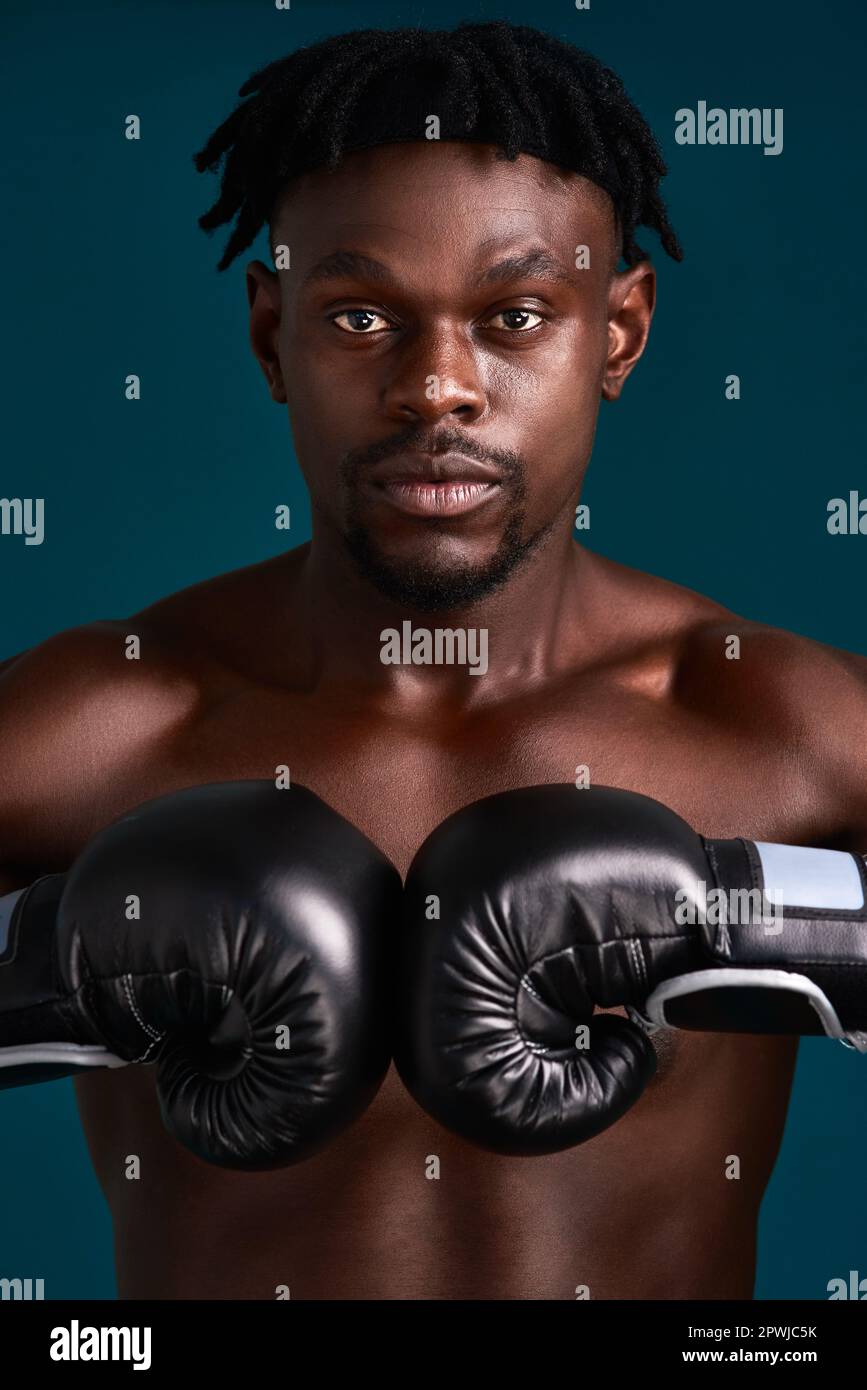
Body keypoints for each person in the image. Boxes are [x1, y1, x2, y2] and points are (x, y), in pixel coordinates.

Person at [2, 20, 865, 1300]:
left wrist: (744, 910)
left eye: (515, 315)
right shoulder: (102, 726)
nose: (438, 387)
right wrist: (53, 950)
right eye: (361, 317)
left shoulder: (779, 724)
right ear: (268, 333)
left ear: (618, 332)